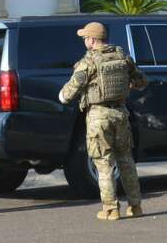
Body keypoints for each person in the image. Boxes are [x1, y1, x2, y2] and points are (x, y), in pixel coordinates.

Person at [59, 21, 147, 220]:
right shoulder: (123, 57)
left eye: (85, 38)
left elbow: (69, 92)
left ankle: (110, 208)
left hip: (98, 117)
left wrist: (62, 96)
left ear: (91, 40)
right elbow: (141, 81)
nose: (84, 42)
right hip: (121, 114)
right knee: (126, 160)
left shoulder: (88, 62)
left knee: (103, 163)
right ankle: (135, 206)